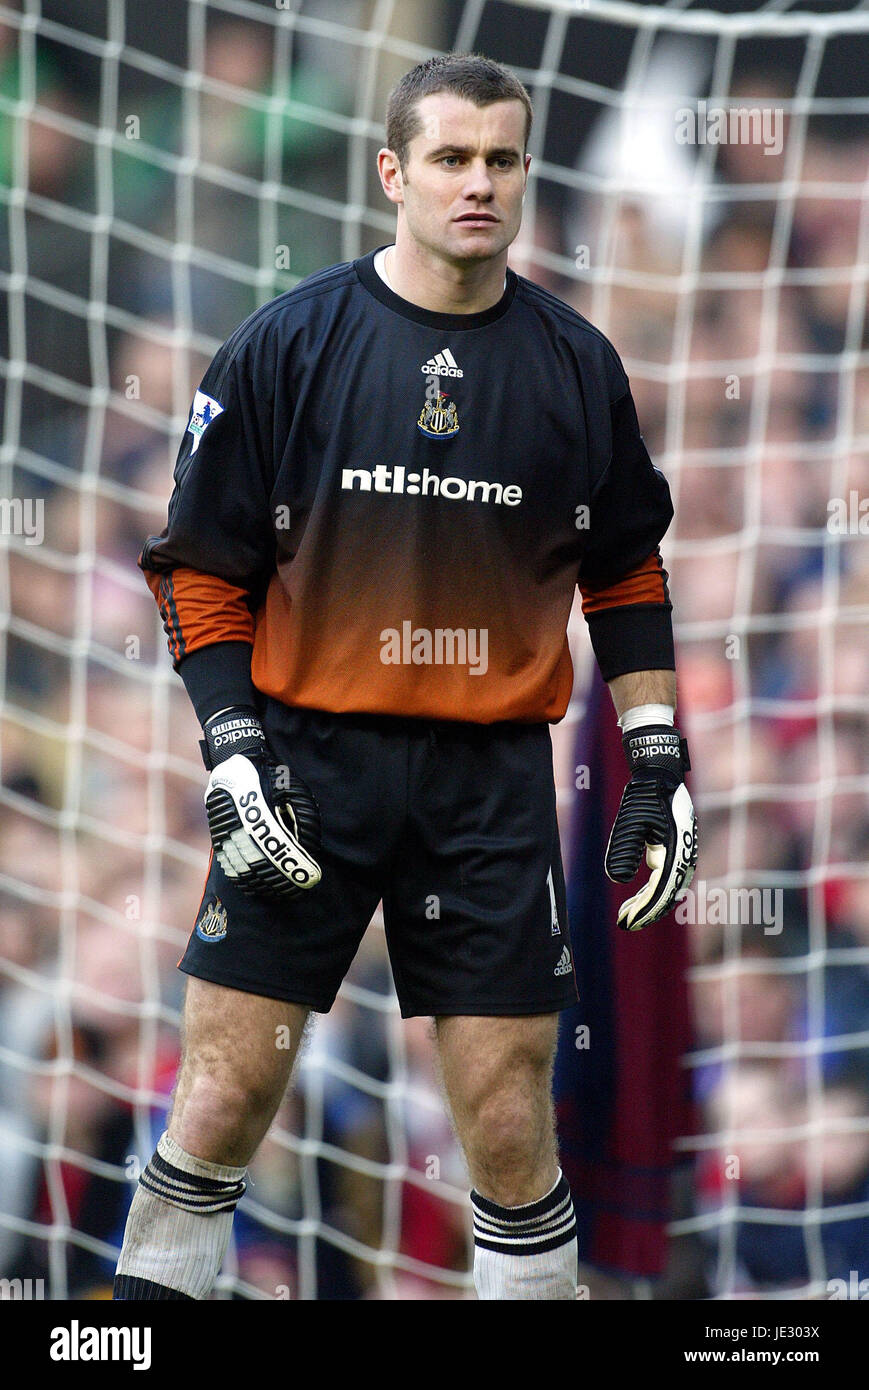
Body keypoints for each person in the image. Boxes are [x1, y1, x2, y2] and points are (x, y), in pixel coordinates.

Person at [113, 53, 697, 1303]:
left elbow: (629, 574)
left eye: (500, 158)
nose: (476, 182)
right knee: (219, 1096)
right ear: (393, 173)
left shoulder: (576, 366)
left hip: (486, 786)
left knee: (503, 1120)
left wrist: (655, 758)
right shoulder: (286, 343)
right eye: (449, 157)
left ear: (526, 173)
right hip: (302, 769)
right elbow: (196, 569)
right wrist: (230, 744)